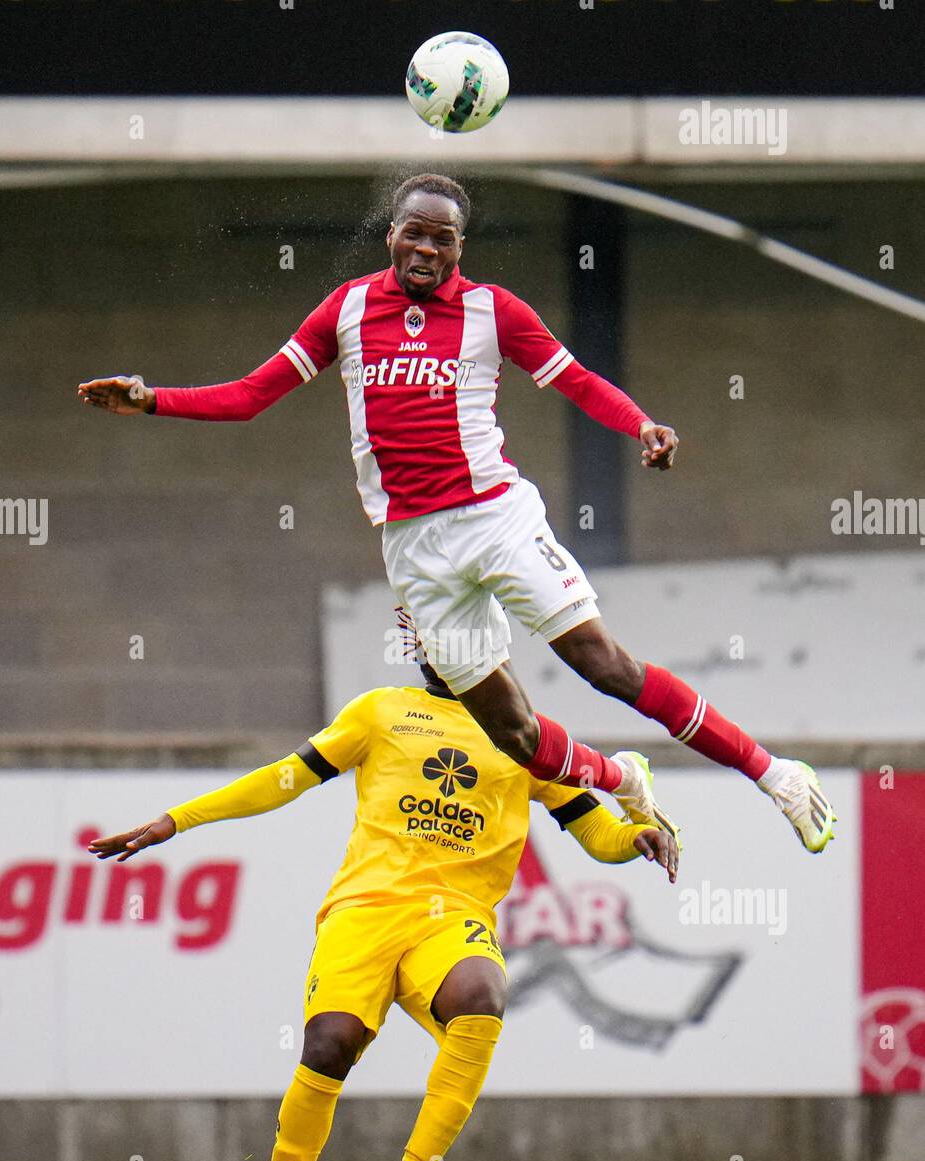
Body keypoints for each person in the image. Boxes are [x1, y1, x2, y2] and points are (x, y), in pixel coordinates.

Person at [78, 172, 834, 853]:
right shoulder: (346, 310)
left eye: (443, 238)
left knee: (606, 667)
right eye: (415, 232)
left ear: (458, 247)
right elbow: (252, 395)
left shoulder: (492, 311)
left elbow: (575, 379)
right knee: (513, 734)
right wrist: (152, 402)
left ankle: (776, 775)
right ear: (393, 235)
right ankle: (620, 777)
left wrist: (640, 424)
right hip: (413, 547)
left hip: (494, 516)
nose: (426, 249)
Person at [87, 655, 679, 1161]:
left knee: (481, 997)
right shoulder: (379, 711)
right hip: (363, 913)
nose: (435, 647)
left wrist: (634, 840)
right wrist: (175, 821)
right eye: (427, 635)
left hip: (452, 918)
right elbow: (280, 779)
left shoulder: (527, 736)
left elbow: (594, 831)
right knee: (328, 1047)